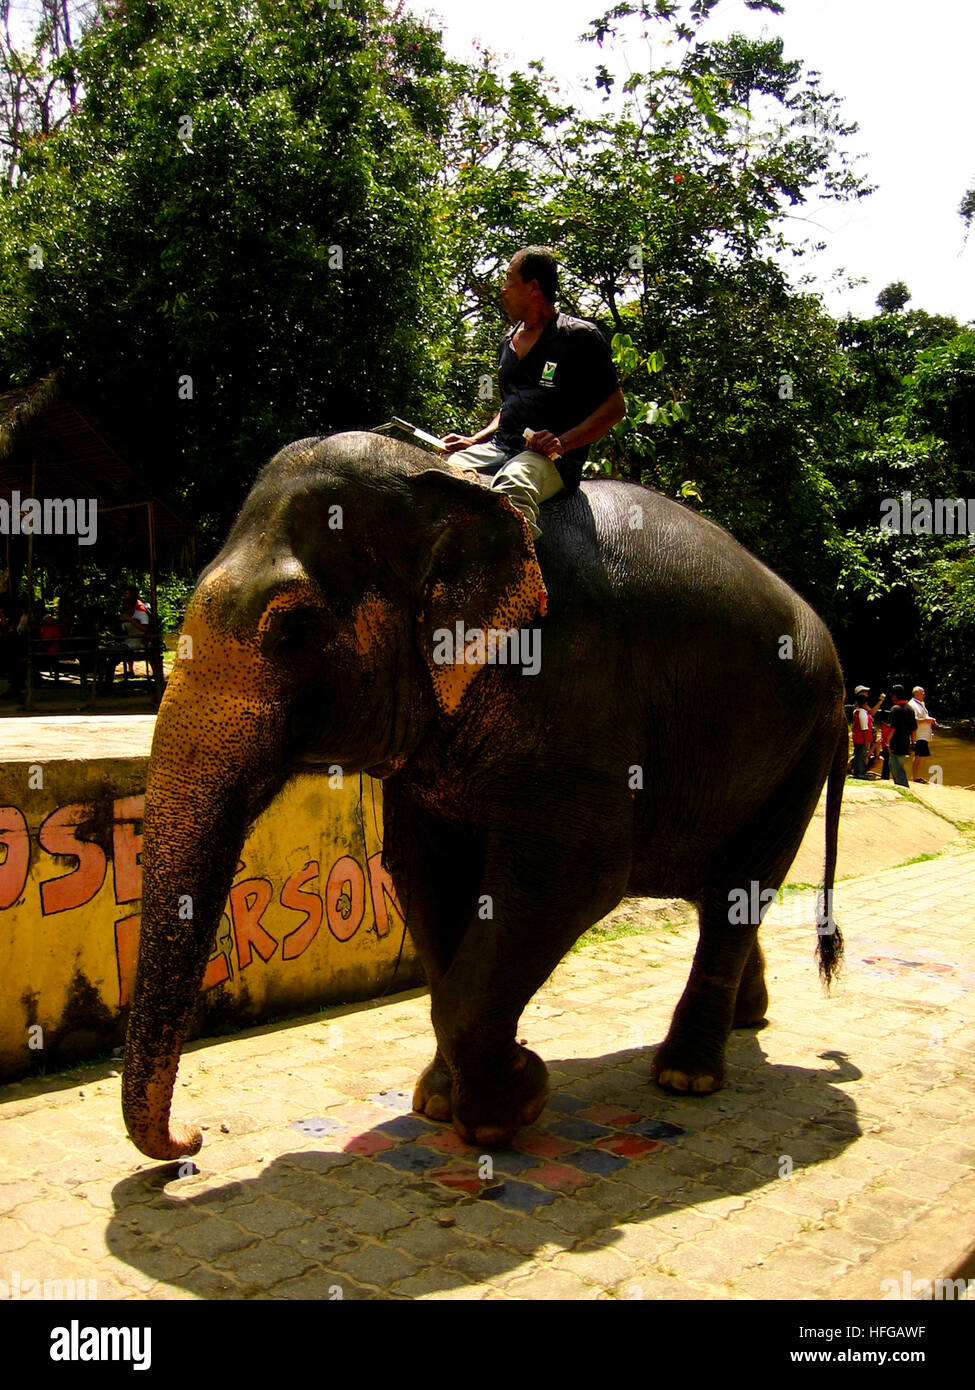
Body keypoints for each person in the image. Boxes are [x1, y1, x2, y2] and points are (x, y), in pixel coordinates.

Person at [442, 246, 626, 539]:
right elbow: (510, 405)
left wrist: (561, 442)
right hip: (500, 448)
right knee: (442, 471)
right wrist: (475, 439)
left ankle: (520, 583)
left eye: (509, 280)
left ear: (533, 287)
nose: (503, 290)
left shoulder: (579, 337)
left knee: (512, 487)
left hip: (551, 459)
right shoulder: (509, 341)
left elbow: (615, 408)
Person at [886, 684, 917, 788]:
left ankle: (903, 787)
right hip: (905, 743)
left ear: (895, 696)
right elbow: (914, 729)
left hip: (896, 743)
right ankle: (901, 786)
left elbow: (892, 729)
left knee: (896, 767)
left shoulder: (895, 709)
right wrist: (913, 743)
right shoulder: (910, 709)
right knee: (897, 765)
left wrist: (887, 743)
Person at [908, 685, 937, 783]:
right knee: (921, 756)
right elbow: (913, 720)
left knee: (920, 756)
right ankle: (916, 777)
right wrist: (927, 719)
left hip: (924, 735)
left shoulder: (921, 703)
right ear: (916, 694)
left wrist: (931, 720)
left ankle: (915, 776)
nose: (924, 695)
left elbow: (924, 716)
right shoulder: (912, 705)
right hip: (918, 735)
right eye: (922, 693)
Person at [850, 686, 873, 778]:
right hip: (862, 738)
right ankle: (860, 773)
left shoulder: (856, 711)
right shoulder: (862, 713)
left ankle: (858, 772)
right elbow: (864, 728)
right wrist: (866, 741)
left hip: (857, 738)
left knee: (858, 755)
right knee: (861, 756)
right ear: (865, 703)